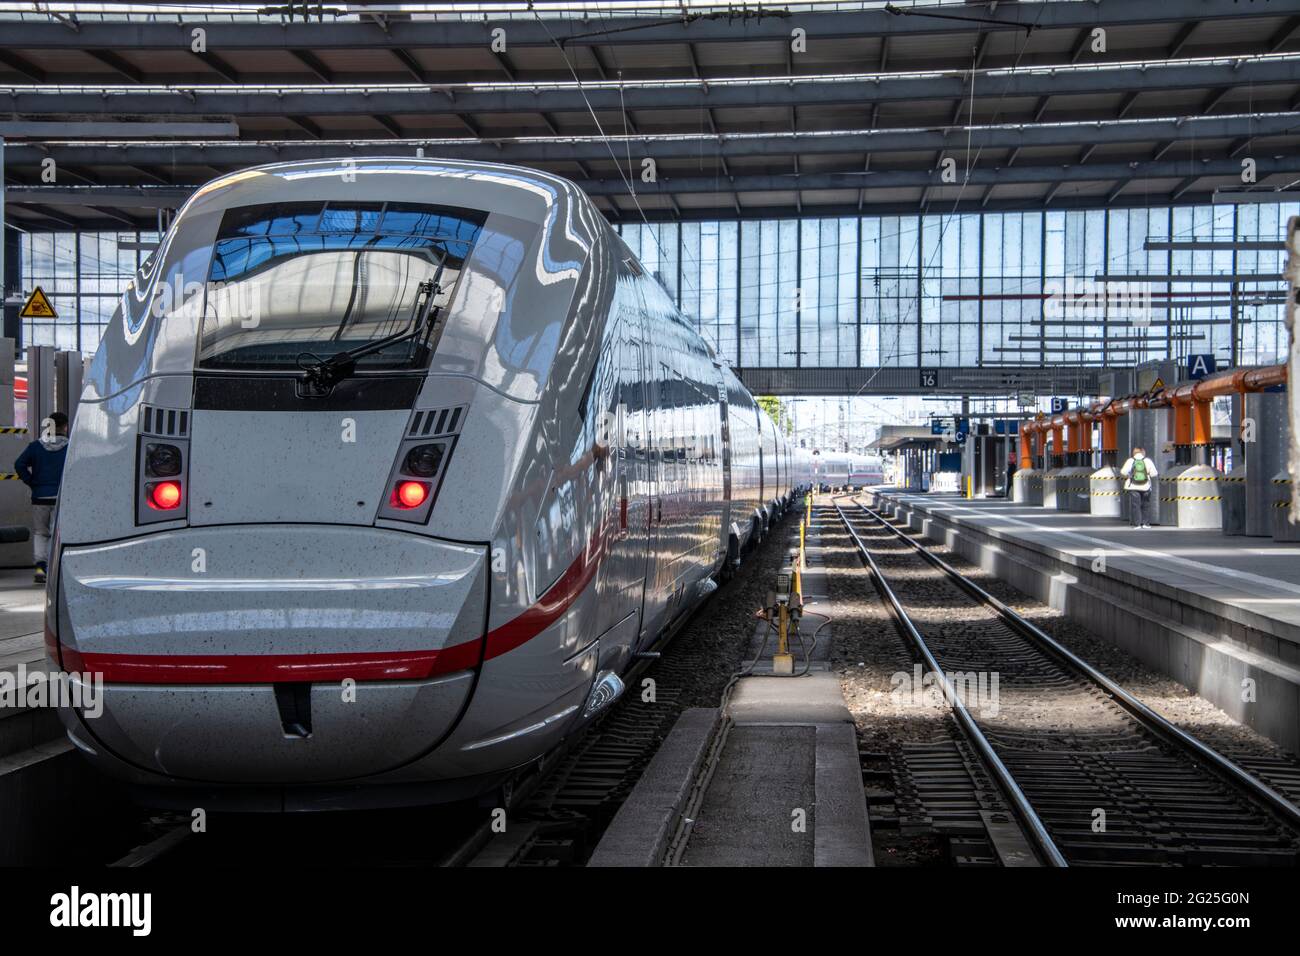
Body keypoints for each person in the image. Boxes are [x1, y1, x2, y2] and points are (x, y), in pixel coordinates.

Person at [15, 412, 69, 583]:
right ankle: (54, 570)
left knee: (40, 532)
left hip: (40, 497)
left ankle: (40, 567)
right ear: (65, 427)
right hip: (60, 498)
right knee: (56, 533)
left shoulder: (36, 446)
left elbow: (19, 464)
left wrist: (31, 482)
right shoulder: (71, 447)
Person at [1119, 445, 1158, 529]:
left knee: (1135, 505)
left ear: (1134, 452)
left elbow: (1123, 472)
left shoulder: (1130, 460)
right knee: (1145, 504)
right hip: (1146, 486)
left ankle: (1137, 524)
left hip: (1133, 486)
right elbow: (1154, 473)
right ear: (1143, 452)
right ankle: (1145, 523)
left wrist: (1130, 474)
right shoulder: (1147, 461)